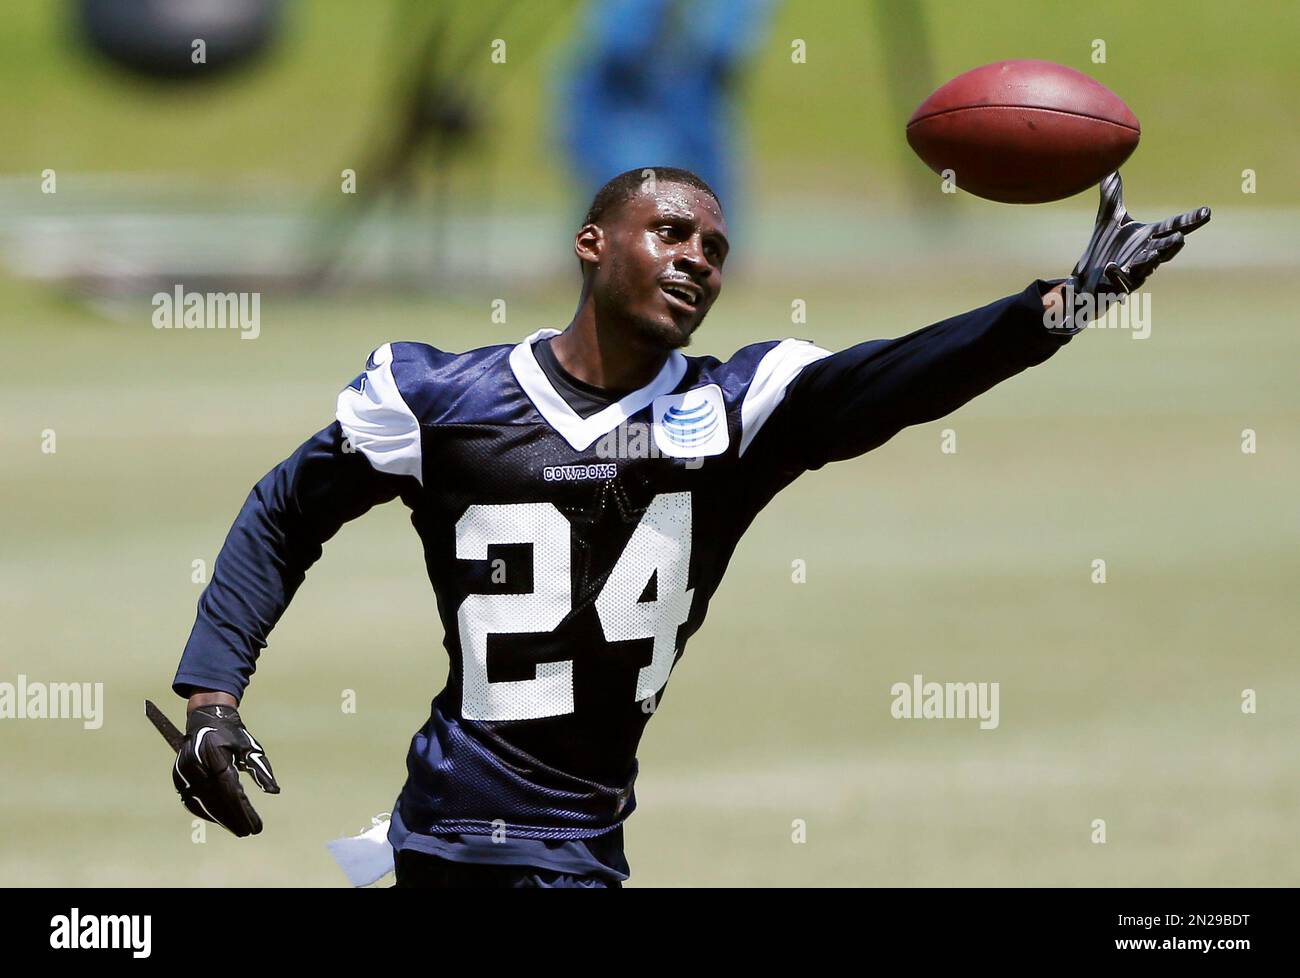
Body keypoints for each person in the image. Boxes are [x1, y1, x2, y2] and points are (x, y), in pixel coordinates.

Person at [169, 166, 1209, 887]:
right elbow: (283, 511)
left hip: (572, 838)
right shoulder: (440, 396)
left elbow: (907, 377)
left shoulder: (735, 412)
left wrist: (1063, 306)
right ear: (591, 243)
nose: (698, 258)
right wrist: (213, 698)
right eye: (671, 232)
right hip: (462, 829)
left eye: (715, 247)